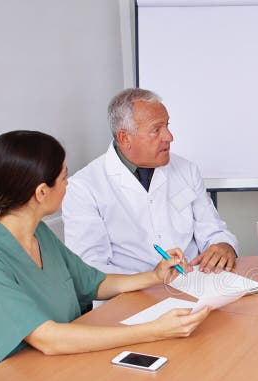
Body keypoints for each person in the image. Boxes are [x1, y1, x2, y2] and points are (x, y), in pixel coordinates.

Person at [0, 131, 210, 381]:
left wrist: (154, 276)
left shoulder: (39, 233)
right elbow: (47, 339)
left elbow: (94, 283)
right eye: (64, 177)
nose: (69, 183)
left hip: (57, 368)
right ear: (42, 193)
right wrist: (153, 331)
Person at [62, 88, 238, 275]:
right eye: (156, 130)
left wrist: (224, 245)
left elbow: (213, 230)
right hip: (129, 295)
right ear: (125, 138)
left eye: (167, 126)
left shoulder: (187, 170)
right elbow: (90, 269)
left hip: (193, 281)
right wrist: (150, 279)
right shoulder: (83, 187)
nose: (169, 137)